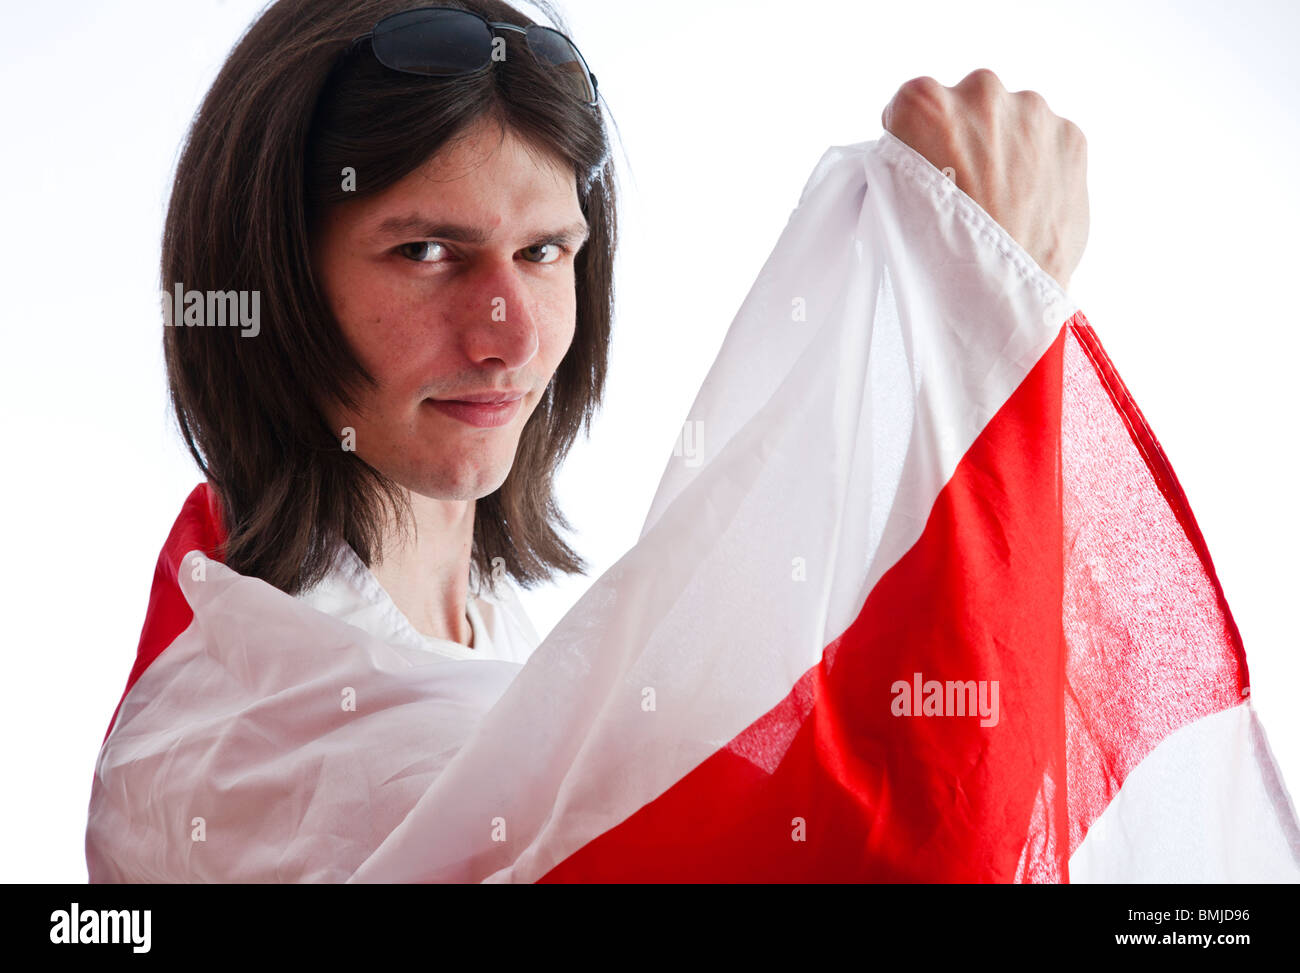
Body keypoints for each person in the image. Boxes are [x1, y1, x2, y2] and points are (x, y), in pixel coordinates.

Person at [88, 0, 1091, 881]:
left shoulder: (442, 633)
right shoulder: (298, 742)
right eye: (426, 252)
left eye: (543, 252)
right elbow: (898, 860)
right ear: (273, 286)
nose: (512, 335)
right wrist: (986, 322)